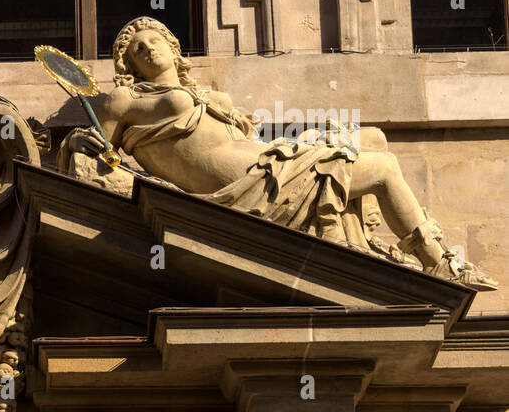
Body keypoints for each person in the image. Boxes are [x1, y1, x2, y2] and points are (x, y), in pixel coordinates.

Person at [76, 16, 496, 290]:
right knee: (383, 169)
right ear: (129, 65)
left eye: (154, 40)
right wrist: (80, 142)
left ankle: (364, 246)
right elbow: (93, 150)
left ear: (172, 45)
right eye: (136, 50)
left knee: (372, 139)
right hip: (245, 184)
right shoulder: (124, 100)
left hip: (265, 159)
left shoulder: (198, 92)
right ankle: (439, 263)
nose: (148, 49)